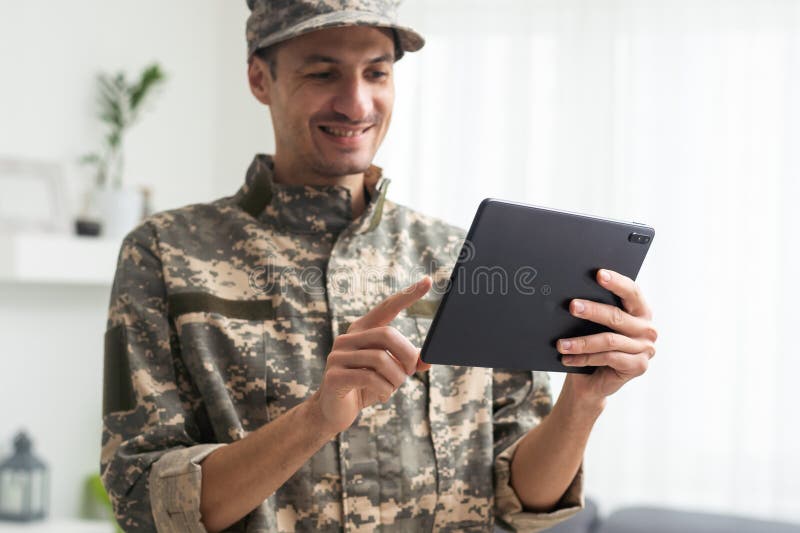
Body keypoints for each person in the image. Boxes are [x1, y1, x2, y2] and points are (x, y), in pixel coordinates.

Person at [100, 1, 659, 532]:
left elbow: (521, 500)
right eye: (323, 74)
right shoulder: (166, 255)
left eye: (377, 73)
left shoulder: (460, 257)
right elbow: (144, 505)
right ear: (259, 79)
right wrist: (315, 419)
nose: (357, 104)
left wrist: (583, 401)